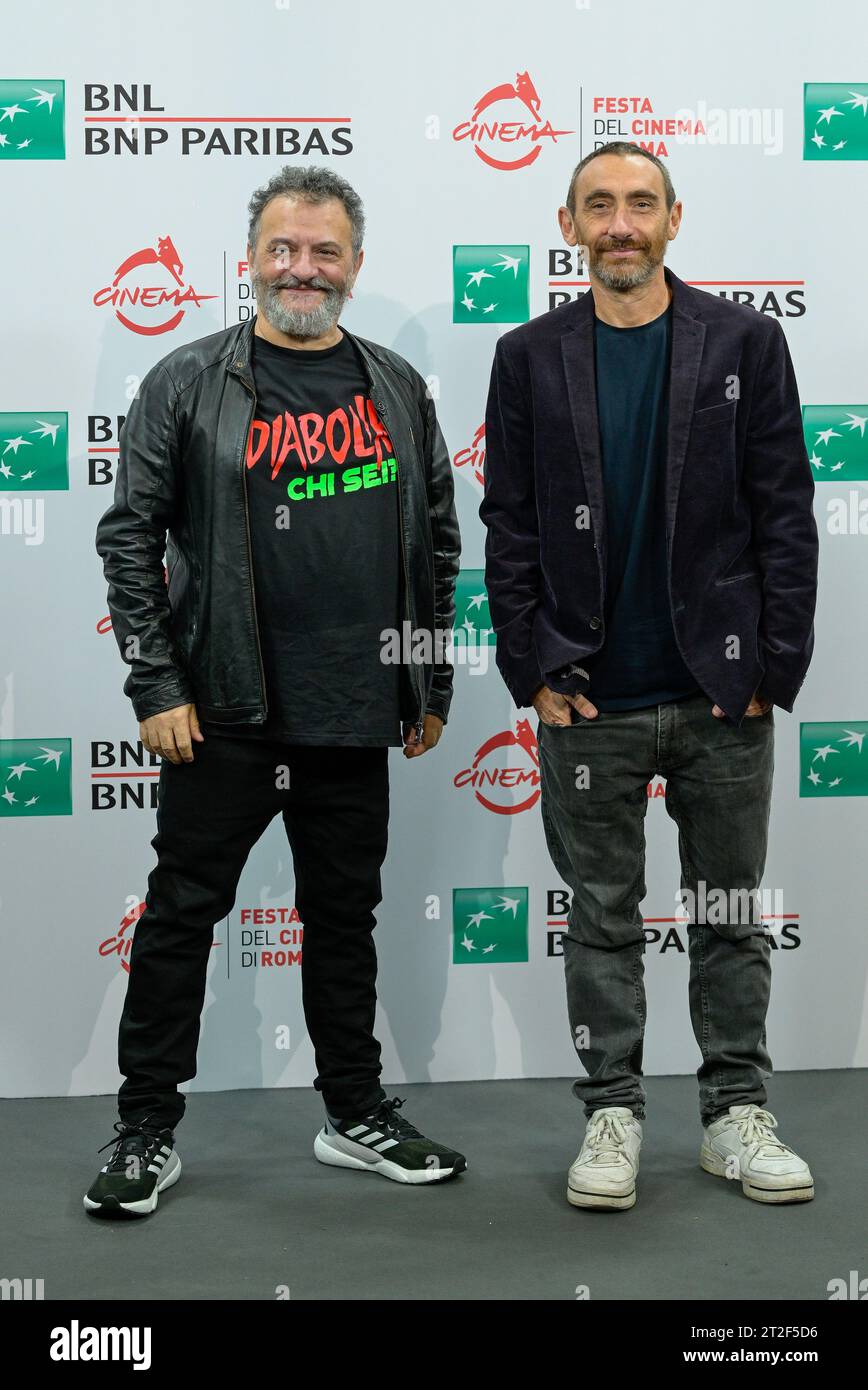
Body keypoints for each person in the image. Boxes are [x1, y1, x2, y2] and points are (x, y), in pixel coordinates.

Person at [89, 165, 464, 1217]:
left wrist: (427, 678)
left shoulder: (392, 384)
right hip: (223, 708)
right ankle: (144, 1128)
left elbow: (435, 538)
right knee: (179, 918)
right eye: (285, 249)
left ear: (353, 265)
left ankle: (355, 1112)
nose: (304, 267)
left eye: (325, 251)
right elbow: (131, 538)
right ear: (250, 259)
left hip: (354, 705)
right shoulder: (188, 380)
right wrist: (156, 681)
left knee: (344, 917)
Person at [480, 141, 819, 1211]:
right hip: (588, 695)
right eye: (598, 206)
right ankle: (612, 1113)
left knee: (728, 913)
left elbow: (785, 515)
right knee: (601, 919)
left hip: (721, 691)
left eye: (639, 203)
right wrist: (530, 661)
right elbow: (510, 523)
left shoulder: (745, 342)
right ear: (568, 223)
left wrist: (774, 665)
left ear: (674, 217)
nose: (619, 223)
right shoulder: (530, 354)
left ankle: (733, 1114)